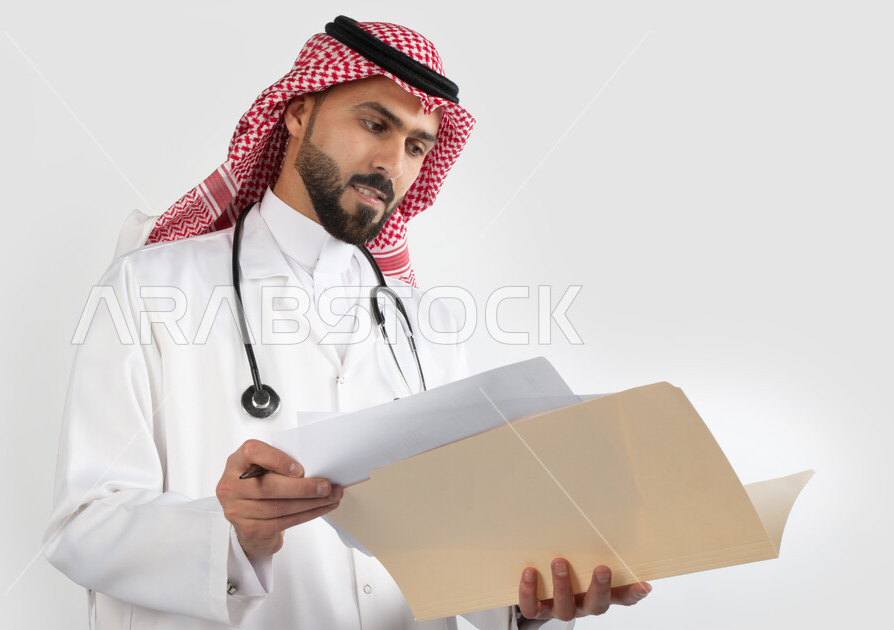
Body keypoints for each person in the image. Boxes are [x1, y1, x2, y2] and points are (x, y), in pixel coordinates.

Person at [43, 16, 651, 629]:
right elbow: (83, 523)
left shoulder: (427, 325)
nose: (392, 162)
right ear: (298, 113)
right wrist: (229, 538)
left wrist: (525, 600)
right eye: (374, 123)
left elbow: (453, 543)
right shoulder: (148, 289)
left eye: (416, 145)